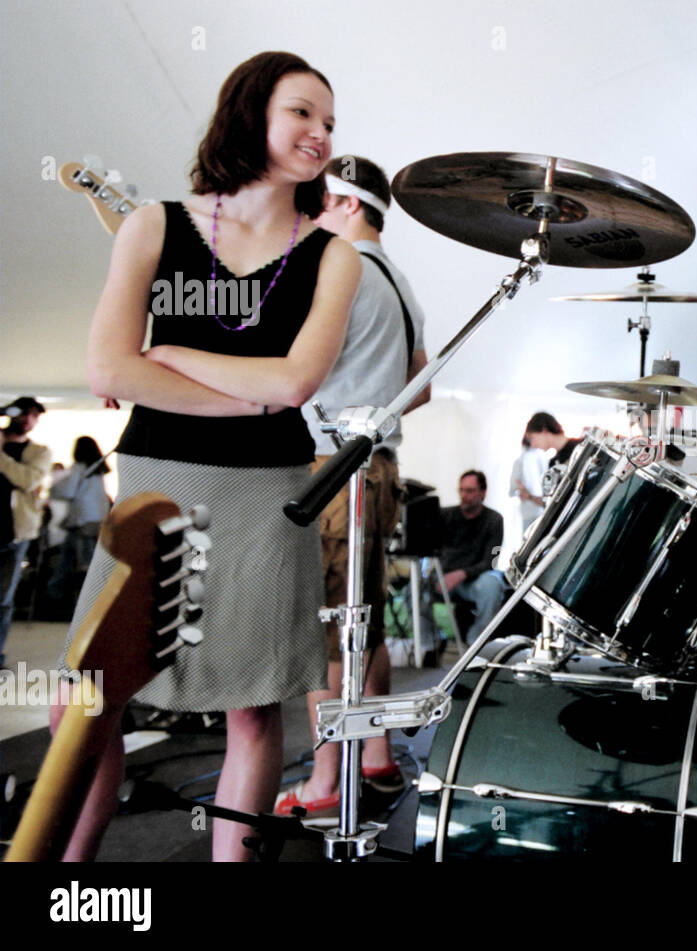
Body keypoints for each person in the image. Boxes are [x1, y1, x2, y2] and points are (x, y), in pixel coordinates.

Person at [50, 51, 359, 861]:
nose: (320, 134)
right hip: (157, 480)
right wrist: (247, 390)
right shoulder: (155, 223)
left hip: (268, 494)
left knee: (255, 709)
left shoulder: (336, 255)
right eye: (303, 113)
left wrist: (174, 356)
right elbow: (109, 369)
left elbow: (295, 382)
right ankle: (63, 871)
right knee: (85, 700)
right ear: (251, 111)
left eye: (329, 123)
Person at [274, 155, 430, 818]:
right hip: (380, 468)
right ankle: (376, 756)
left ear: (347, 205)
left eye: (319, 202)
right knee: (361, 623)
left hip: (332, 469)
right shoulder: (400, 282)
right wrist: (374, 406)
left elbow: (294, 374)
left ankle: (323, 784)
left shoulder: (341, 272)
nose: (308, 214)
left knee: (325, 633)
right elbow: (423, 386)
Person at [1, 397, 53, 669]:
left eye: (34, 416)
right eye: (25, 414)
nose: (28, 420)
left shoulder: (39, 452)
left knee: (3, 599)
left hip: (14, 532)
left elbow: (28, 480)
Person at [434, 470, 505, 641]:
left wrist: (461, 573)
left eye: (470, 491)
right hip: (442, 578)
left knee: (492, 586)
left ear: (483, 492)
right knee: (411, 591)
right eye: (462, 490)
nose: (464, 496)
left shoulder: (494, 520)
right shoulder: (444, 516)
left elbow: (490, 561)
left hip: (472, 580)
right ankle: (430, 641)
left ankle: (476, 643)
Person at [45, 436, 112, 604]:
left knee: (76, 560)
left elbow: (68, 491)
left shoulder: (79, 468)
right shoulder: (99, 470)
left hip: (81, 519)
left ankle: (56, 594)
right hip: (97, 518)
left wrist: (53, 489)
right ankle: (61, 593)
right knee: (82, 558)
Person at [511, 424, 548, 530]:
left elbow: (513, 486)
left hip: (532, 505)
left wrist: (518, 491)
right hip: (539, 506)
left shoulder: (521, 460)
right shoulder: (542, 457)